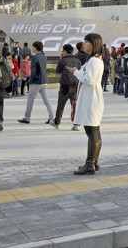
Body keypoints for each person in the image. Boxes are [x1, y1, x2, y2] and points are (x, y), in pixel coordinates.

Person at [71, 33, 106, 174]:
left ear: (94, 44)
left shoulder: (94, 61)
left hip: (91, 99)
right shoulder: (95, 59)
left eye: (86, 42)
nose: (83, 44)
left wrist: (76, 72)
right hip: (92, 97)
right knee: (95, 131)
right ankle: (94, 162)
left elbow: (89, 80)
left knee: (92, 132)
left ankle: (89, 164)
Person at [18, 41, 55, 125]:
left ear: (35, 47)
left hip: (36, 82)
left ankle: (27, 118)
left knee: (30, 100)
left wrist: (30, 81)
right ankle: (52, 117)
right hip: (44, 81)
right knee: (46, 100)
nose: (32, 49)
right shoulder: (44, 56)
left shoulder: (34, 57)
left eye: (33, 47)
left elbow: (33, 72)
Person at [52, 43, 81, 129]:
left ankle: (57, 123)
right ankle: (76, 124)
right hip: (75, 86)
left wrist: (60, 59)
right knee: (75, 105)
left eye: (62, 51)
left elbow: (58, 71)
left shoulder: (62, 60)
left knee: (61, 105)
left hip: (65, 86)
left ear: (65, 51)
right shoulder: (78, 61)